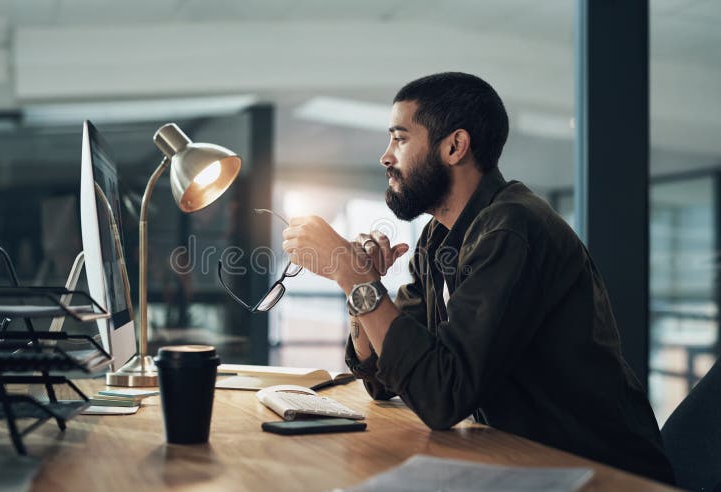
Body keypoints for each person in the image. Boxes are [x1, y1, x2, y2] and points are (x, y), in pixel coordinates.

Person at [281, 72, 675, 484]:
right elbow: (385, 378)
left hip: (605, 476)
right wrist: (362, 288)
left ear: (455, 146)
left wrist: (353, 275)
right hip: (525, 463)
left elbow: (441, 398)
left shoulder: (512, 229)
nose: (385, 157)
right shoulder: (437, 238)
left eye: (399, 139)